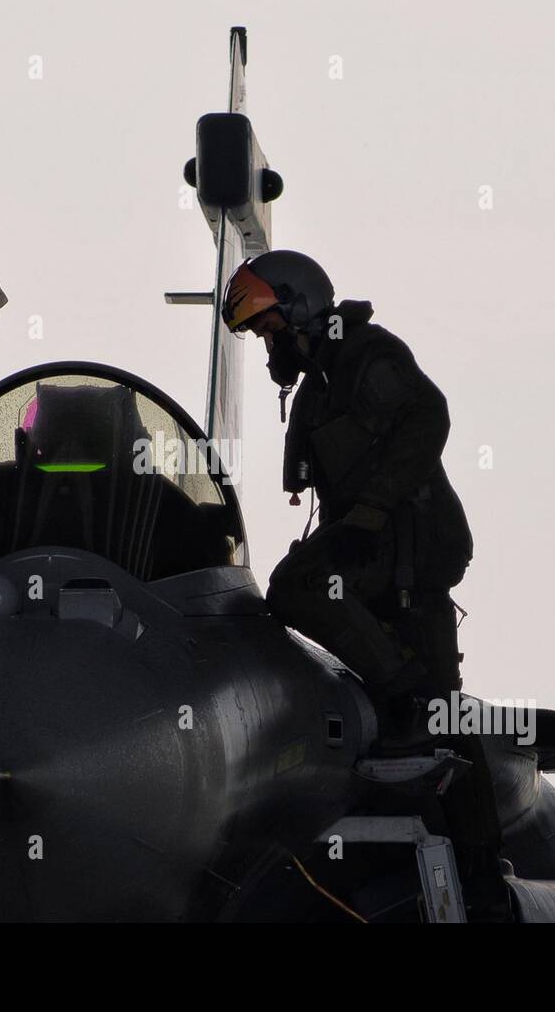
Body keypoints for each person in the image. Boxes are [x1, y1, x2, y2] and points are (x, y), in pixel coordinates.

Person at [222, 250, 473, 743]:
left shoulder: (365, 354)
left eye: (267, 326)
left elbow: (428, 416)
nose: (266, 341)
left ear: (299, 307)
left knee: (299, 585)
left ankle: (407, 695)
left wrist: (371, 511)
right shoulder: (320, 384)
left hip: (412, 541)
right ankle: (401, 696)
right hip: (376, 541)